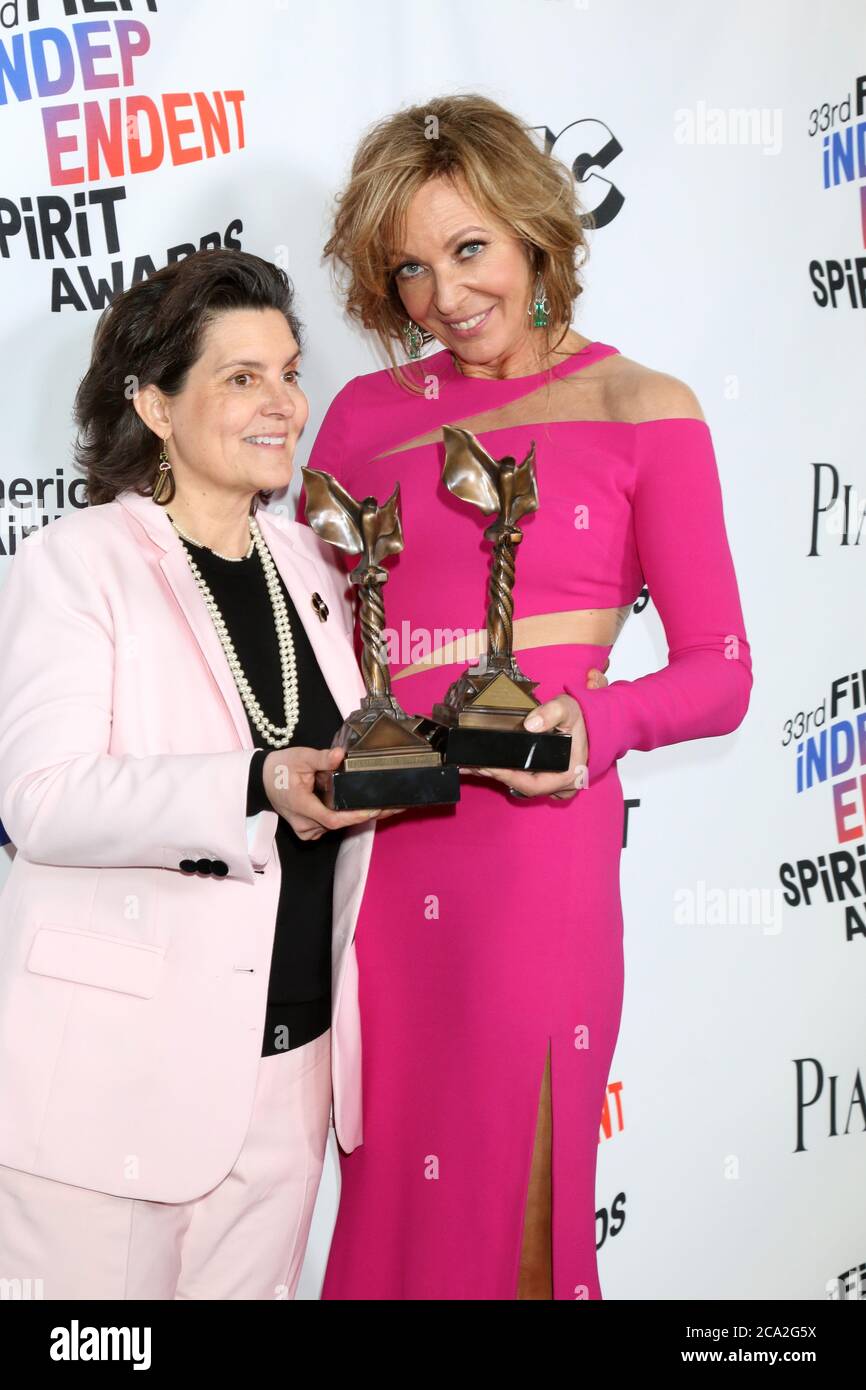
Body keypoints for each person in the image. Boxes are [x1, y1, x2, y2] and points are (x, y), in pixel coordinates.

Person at [297, 93, 753, 1300]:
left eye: (468, 250)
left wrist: (587, 727)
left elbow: (721, 670)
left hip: (534, 856)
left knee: (517, 1200)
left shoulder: (641, 410)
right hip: (380, 862)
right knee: (389, 1194)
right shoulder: (357, 422)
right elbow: (313, 643)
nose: (443, 297)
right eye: (408, 268)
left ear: (536, 238)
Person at [0, 248, 383, 1300]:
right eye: (240, 377)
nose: (284, 404)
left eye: (289, 371)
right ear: (156, 406)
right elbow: (43, 800)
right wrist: (254, 783)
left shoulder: (312, 566)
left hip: (289, 1067)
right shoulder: (75, 564)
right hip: (116, 1078)